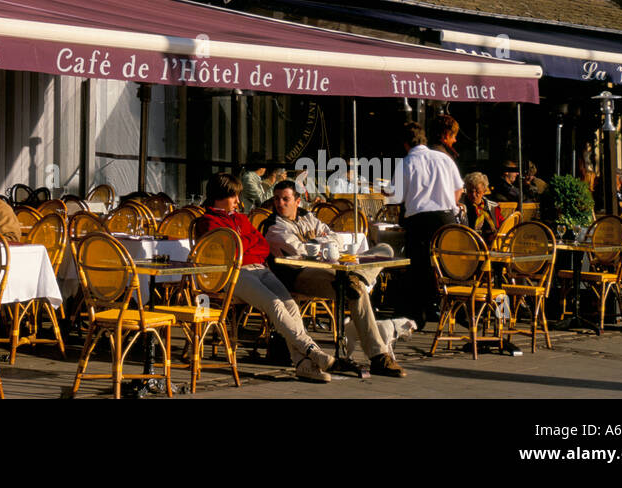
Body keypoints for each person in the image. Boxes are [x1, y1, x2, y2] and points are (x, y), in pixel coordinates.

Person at [193, 173, 336, 383]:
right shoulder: (208, 222)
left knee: (290, 305)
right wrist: (245, 245)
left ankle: (302, 364)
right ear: (220, 196)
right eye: (234, 196)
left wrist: (243, 245)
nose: (238, 201)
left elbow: (262, 246)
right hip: (232, 274)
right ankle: (310, 349)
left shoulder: (240, 218)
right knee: (275, 304)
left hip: (257, 268)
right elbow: (230, 253)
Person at [263, 179, 405, 377]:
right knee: (353, 288)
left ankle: (358, 278)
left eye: (285, 199)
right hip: (297, 275)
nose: (280, 203)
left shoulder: (307, 217)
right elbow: (300, 251)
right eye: (277, 199)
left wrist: (320, 243)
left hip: (328, 269)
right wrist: (323, 244)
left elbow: (335, 237)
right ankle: (378, 356)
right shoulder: (272, 226)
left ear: (297, 201)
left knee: (385, 249)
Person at [397, 121, 463, 329]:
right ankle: (452, 309)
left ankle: (419, 314)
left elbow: (398, 196)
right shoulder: (443, 158)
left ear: (406, 144)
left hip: (419, 220)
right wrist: (448, 202)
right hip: (445, 219)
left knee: (418, 267)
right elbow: (459, 189)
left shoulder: (407, 163)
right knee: (446, 266)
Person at [458, 172, 503, 245]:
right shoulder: (460, 207)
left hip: (492, 246)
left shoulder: (492, 207)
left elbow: (502, 225)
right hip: (468, 245)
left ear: (484, 191)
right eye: (470, 191)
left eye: (477, 191)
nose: (473, 195)